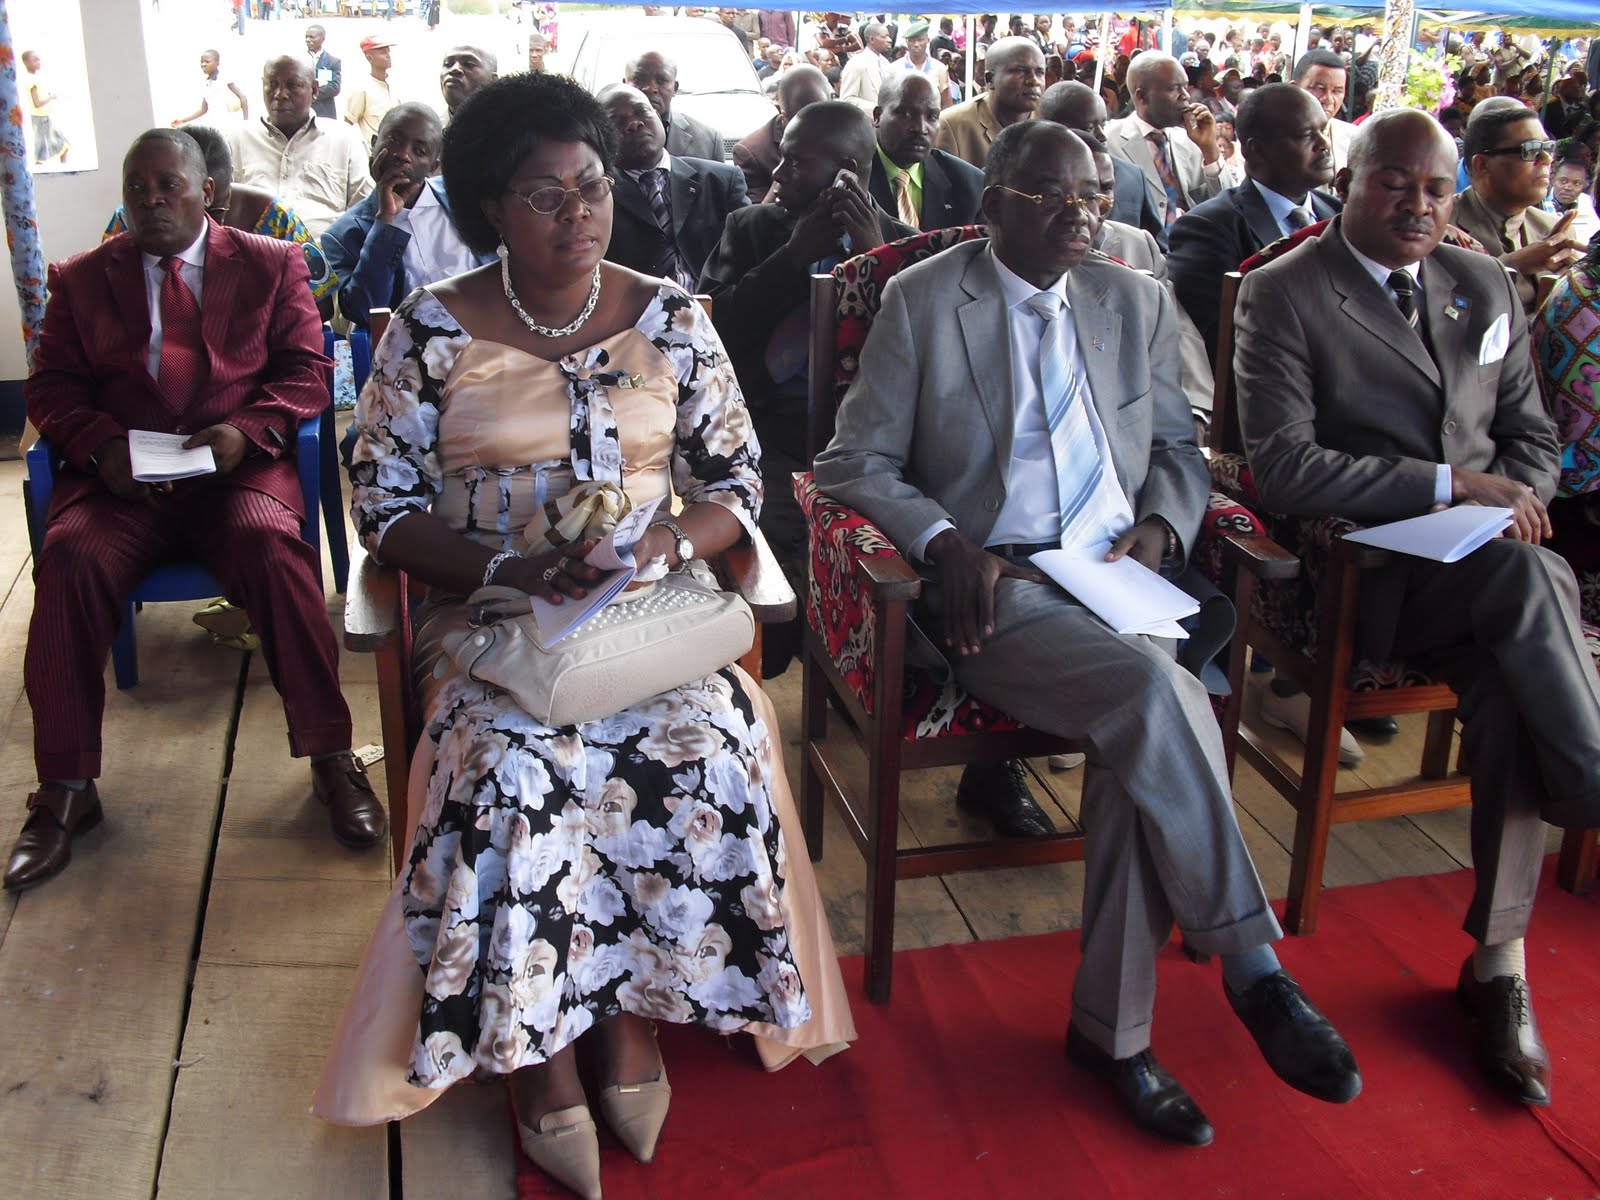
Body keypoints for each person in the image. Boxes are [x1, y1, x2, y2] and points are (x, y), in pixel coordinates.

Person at [313, 73, 853, 1198]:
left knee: (708, 742)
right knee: (512, 769)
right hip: (491, 621)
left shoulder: (673, 317)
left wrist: (659, 551)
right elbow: (387, 511)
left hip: (645, 619)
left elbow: (736, 479)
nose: (579, 215)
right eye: (544, 196)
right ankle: (539, 1046)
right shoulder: (427, 330)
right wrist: (508, 568)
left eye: (593, 187)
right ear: (487, 207)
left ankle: (634, 1013)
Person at [815, 120, 1362, 1144]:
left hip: (1120, 576)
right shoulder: (923, 301)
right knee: (1164, 701)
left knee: (1137, 746)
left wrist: (1160, 525)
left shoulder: (1133, 299)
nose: (1079, 212)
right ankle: (1254, 971)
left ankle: (1114, 1037)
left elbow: (1175, 445)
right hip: (1002, 583)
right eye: (1048, 194)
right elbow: (853, 464)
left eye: (1095, 193)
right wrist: (942, 546)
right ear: (989, 205)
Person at [1235, 108, 1600, 1111]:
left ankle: (1499, 966)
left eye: (1437, 188)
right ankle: (1592, 786)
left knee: (1509, 678)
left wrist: (1507, 497)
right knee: (1537, 587)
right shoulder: (1286, 293)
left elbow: (1534, 437)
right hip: (1372, 577)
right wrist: (1448, 489)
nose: (1419, 205)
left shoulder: (1481, 282)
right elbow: (1286, 465)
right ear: (1348, 181)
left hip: (1488, 573)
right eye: (1395, 183)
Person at [4, 129, 387, 894]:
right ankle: (67, 789)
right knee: (69, 561)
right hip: (123, 482)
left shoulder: (271, 264)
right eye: (136, 187)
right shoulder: (82, 280)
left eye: (167, 185)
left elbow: (310, 371)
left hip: (231, 472)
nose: (150, 201)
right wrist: (101, 444)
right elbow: (50, 389)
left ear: (206, 189)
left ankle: (329, 758)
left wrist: (245, 434)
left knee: (274, 550)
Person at [700, 101, 914, 675]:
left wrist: (877, 260)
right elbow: (715, 333)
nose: (777, 174)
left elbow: (920, 352)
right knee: (768, 528)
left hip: (870, 436)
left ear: (847, 169)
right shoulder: (750, 230)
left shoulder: (907, 246)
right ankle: (773, 654)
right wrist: (792, 256)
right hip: (770, 425)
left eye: (794, 163)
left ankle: (851, 665)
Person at [1168, 84, 1340, 361]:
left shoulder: (1336, 214)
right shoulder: (1208, 228)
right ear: (1258, 150)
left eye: (1323, 129)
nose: (1324, 144)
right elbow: (1216, 343)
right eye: (1307, 135)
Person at [104, 124, 336, 321]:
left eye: (216, 211)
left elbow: (321, 306)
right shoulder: (133, 218)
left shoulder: (274, 216)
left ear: (213, 188)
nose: (207, 224)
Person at [322, 103, 488, 330]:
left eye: (419, 151)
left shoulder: (462, 201)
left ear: (433, 167)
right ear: (373, 145)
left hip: (486, 332)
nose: (402, 155)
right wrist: (384, 222)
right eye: (394, 141)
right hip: (411, 351)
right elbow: (365, 311)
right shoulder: (343, 235)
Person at [599, 83, 749, 289]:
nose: (634, 124)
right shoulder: (598, 196)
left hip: (717, 311)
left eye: (641, 111)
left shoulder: (722, 181)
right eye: (617, 121)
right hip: (637, 316)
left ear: (658, 114)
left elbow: (751, 255)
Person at [1454, 101, 1587, 314]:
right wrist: (1510, 266)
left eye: (1548, 148)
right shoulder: (1440, 226)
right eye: (1531, 150)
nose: (1546, 159)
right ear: (1482, 165)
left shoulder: (1555, 229)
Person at [229, 56, 372, 239]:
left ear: (314, 90)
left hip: (325, 259)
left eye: (293, 85)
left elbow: (364, 211)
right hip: (253, 258)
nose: (280, 94)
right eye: (272, 84)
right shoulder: (237, 139)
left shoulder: (344, 139)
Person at [1103, 52, 1223, 240]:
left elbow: (1225, 203)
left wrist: (1210, 149)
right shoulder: (1110, 142)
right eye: (1174, 89)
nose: (1185, 97)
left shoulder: (1190, 140)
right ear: (1142, 96)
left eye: (1185, 87)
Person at [1039, 80, 1163, 243]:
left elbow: (1158, 244)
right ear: (1055, 128)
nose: (1102, 135)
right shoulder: (1037, 181)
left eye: (1103, 124)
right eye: (1090, 127)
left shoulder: (1131, 176)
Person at [869, 72, 983, 231]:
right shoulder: (853, 176)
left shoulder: (969, 183)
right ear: (877, 117)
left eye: (932, 117)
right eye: (906, 115)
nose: (921, 128)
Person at [933, 36, 1047, 169]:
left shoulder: (1050, 121)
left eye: (1040, 73)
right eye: (1021, 71)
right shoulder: (952, 126)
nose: (1034, 81)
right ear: (990, 79)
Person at [733, 65, 832, 203]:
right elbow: (755, 219)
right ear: (783, 116)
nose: (814, 127)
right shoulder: (751, 152)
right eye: (803, 119)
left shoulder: (843, 134)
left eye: (820, 115)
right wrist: (786, 172)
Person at [625, 51, 724, 163]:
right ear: (624, 85)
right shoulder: (606, 136)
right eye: (638, 79)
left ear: (675, 88)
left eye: (662, 80)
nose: (650, 88)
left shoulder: (708, 140)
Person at [1291, 49, 1355, 171]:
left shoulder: (1354, 138)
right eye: (1319, 88)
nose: (1329, 99)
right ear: (1294, 89)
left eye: (1337, 91)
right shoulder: (1272, 139)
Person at [345, 34, 399, 147]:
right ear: (370, 58)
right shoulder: (361, 89)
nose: (388, 55)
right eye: (383, 52)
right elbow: (347, 124)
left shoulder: (394, 85)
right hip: (374, 153)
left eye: (388, 51)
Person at [172, 49, 249, 127]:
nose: (203, 64)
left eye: (207, 61)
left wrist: (246, 123)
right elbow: (203, 110)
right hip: (214, 126)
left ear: (217, 62)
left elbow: (243, 98)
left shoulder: (224, 78)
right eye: (201, 62)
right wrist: (182, 121)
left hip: (228, 125)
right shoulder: (207, 83)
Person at [21, 50, 69, 166]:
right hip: (41, 119)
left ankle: (64, 166)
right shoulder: (31, 81)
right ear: (26, 63)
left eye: (38, 59)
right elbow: (37, 103)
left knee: (62, 145)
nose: (38, 62)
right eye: (35, 60)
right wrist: (50, 97)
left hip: (44, 117)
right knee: (44, 149)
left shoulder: (33, 78)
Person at [894, 20, 953, 108]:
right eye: (912, 40)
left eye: (920, 40)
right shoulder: (894, 69)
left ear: (928, 40)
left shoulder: (940, 69)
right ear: (906, 42)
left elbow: (947, 102)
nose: (916, 44)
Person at [838, 21, 892, 114]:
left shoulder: (886, 63)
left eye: (888, 36)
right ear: (872, 39)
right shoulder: (856, 63)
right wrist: (876, 109)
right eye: (884, 37)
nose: (889, 40)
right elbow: (847, 99)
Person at [1546, 153, 1599, 244]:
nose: (1568, 187)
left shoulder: (1591, 205)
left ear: (1585, 185)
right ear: (1553, 179)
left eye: (1576, 183)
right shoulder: (1538, 202)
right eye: (1563, 181)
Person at [439, 44, 497, 120]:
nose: (454, 69)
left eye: (469, 64)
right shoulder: (430, 129)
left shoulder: (511, 126)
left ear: (493, 80)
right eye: (448, 64)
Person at [306, 24, 342, 120]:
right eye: (306, 37)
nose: (308, 40)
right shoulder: (298, 61)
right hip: (303, 113)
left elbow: (334, 88)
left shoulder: (332, 62)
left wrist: (308, 94)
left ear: (322, 39)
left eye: (312, 37)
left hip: (325, 112)